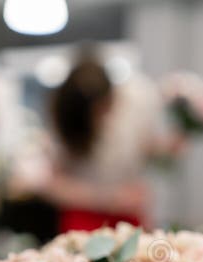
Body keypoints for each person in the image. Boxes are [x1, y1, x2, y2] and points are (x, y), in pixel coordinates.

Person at [43, 55, 170, 232]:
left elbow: (145, 149)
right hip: (83, 219)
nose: (104, 114)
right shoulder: (62, 131)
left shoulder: (132, 106)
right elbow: (52, 185)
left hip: (127, 216)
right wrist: (109, 199)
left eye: (106, 105)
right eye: (98, 110)